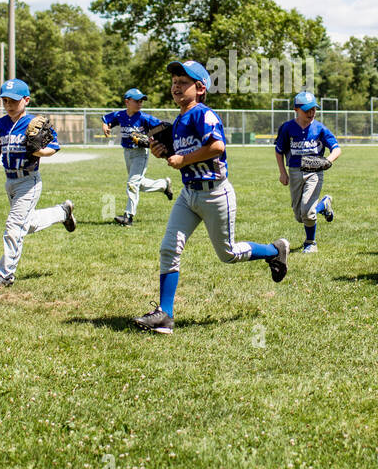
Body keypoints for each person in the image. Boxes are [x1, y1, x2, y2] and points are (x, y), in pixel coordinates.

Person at [133, 59, 290, 335]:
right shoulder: (180, 119)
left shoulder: (202, 114)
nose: (176, 87)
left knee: (227, 254)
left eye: (184, 82)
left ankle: (275, 251)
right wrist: (164, 153)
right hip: (189, 194)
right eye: (174, 82)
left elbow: (217, 146)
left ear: (201, 88)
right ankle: (165, 316)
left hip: (215, 193)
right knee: (169, 248)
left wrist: (182, 158)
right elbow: (180, 157)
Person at [0, 78, 76, 288]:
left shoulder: (33, 123)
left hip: (29, 182)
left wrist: (40, 151)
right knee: (26, 224)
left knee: (13, 226)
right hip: (10, 181)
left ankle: (4, 275)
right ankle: (63, 212)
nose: (9, 104)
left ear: (26, 100)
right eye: (5, 101)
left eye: (13, 100)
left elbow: (54, 147)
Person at [274, 91, 340, 253]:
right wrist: (283, 173)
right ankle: (323, 205)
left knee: (307, 212)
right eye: (307, 110)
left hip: (314, 172)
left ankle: (310, 243)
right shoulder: (287, 128)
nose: (311, 113)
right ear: (296, 110)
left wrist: (327, 161)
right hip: (295, 170)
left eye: (314, 109)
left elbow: (337, 149)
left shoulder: (319, 128)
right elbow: (279, 151)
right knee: (299, 216)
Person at [101, 88, 174, 226]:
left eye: (141, 101)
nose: (140, 103)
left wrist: (151, 139)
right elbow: (106, 119)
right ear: (127, 101)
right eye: (137, 100)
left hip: (141, 154)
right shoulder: (120, 115)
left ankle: (128, 216)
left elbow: (163, 127)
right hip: (127, 153)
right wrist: (105, 126)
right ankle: (163, 185)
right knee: (138, 183)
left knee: (132, 183)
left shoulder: (144, 118)